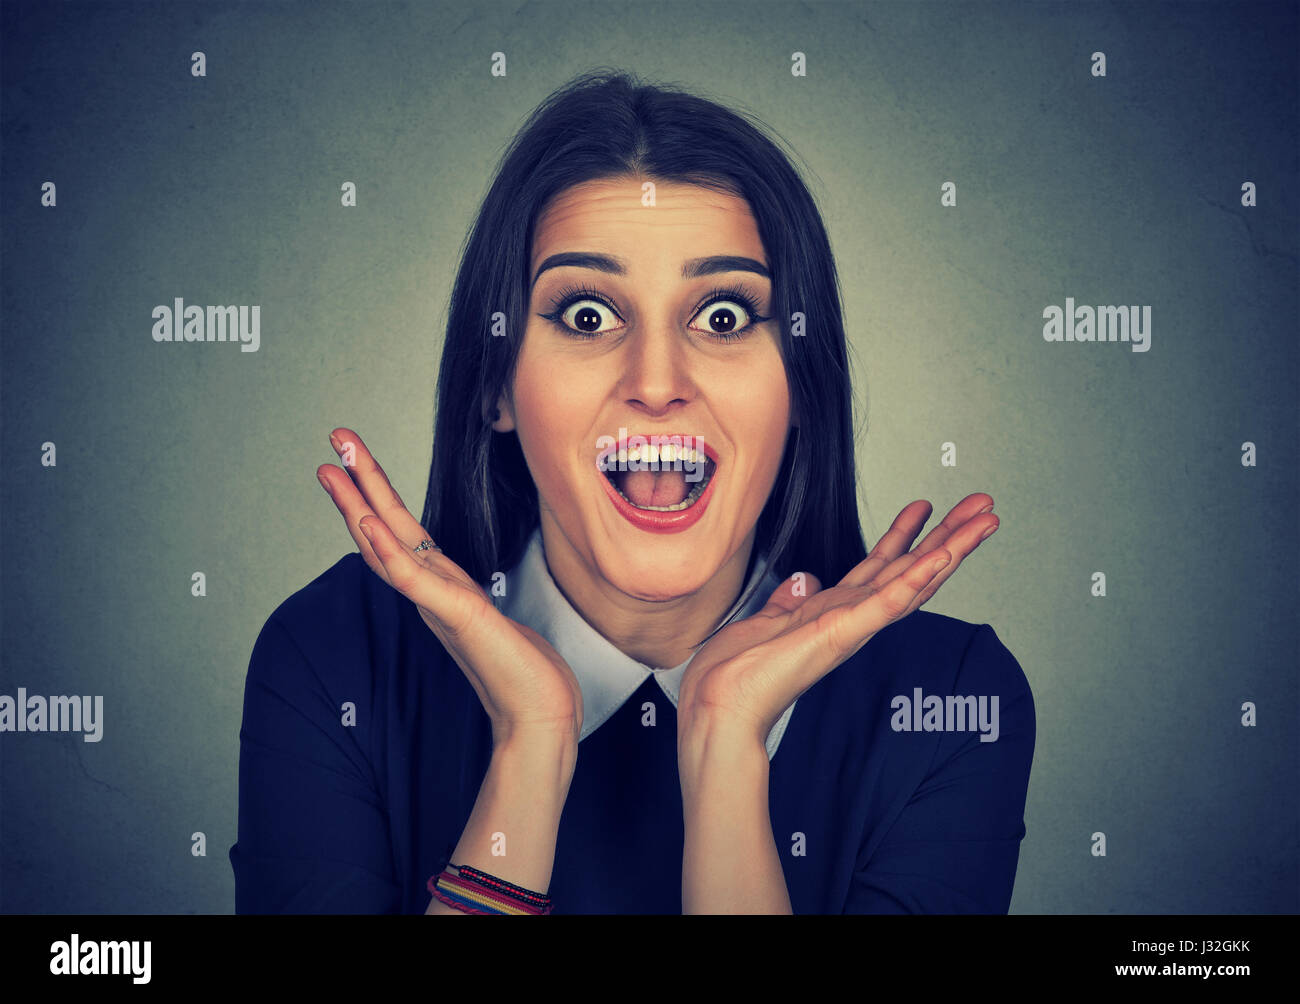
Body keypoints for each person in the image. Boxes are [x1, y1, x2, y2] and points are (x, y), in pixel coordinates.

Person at [230, 69, 1035, 914]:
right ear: (493, 386)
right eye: (586, 315)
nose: (657, 381)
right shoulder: (333, 658)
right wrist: (530, 747)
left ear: (803, 384)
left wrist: (727, 744)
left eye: (723, 316)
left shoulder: (947, 702)